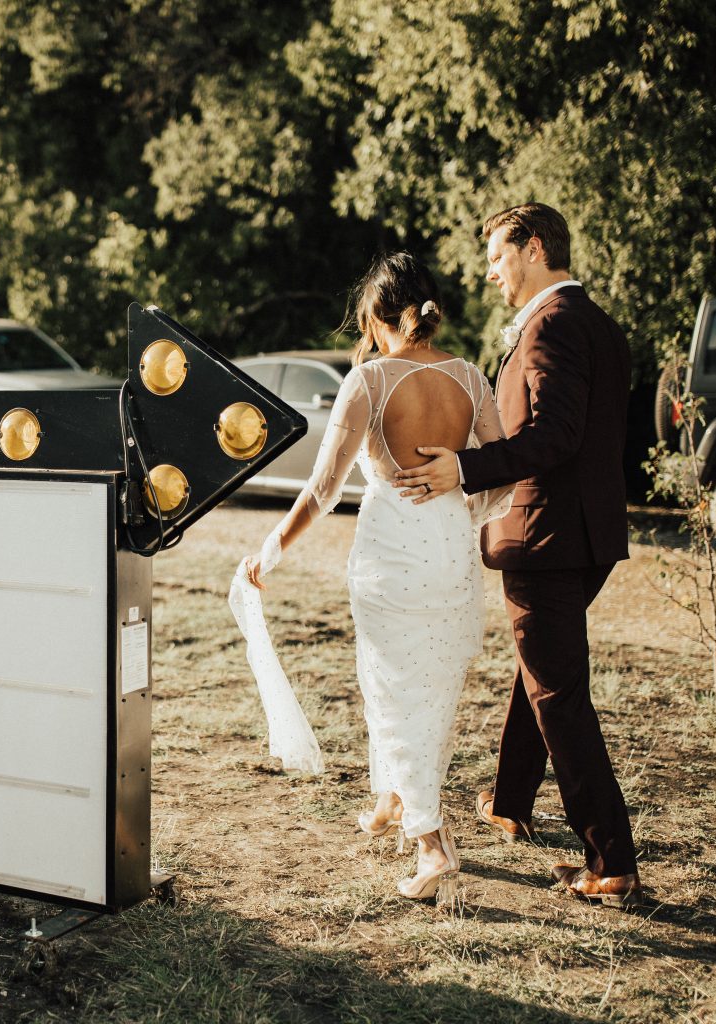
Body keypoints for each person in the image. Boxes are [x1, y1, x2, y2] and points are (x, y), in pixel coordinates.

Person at [392, 203, 643, 909]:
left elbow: (555, 436)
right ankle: (509, 800)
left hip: (547, 536)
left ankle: (610, 861)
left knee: (559, 696)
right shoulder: (596, 322)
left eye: (499, 257)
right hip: (583, 535)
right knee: (541, 673)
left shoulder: (551, 325)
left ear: (533, 249)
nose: (492, 272)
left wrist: (465, 469)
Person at [243, 252, 511, 904]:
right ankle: (393, 799)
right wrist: (460, 511)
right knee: (428, 697)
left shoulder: (367, 382)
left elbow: (322, 489)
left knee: (393, 695)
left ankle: (433, 844)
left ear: (374, 314)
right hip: (450, 556)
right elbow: (504, 472)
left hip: (391, 559)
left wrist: (269, 552)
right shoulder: (471, 379)